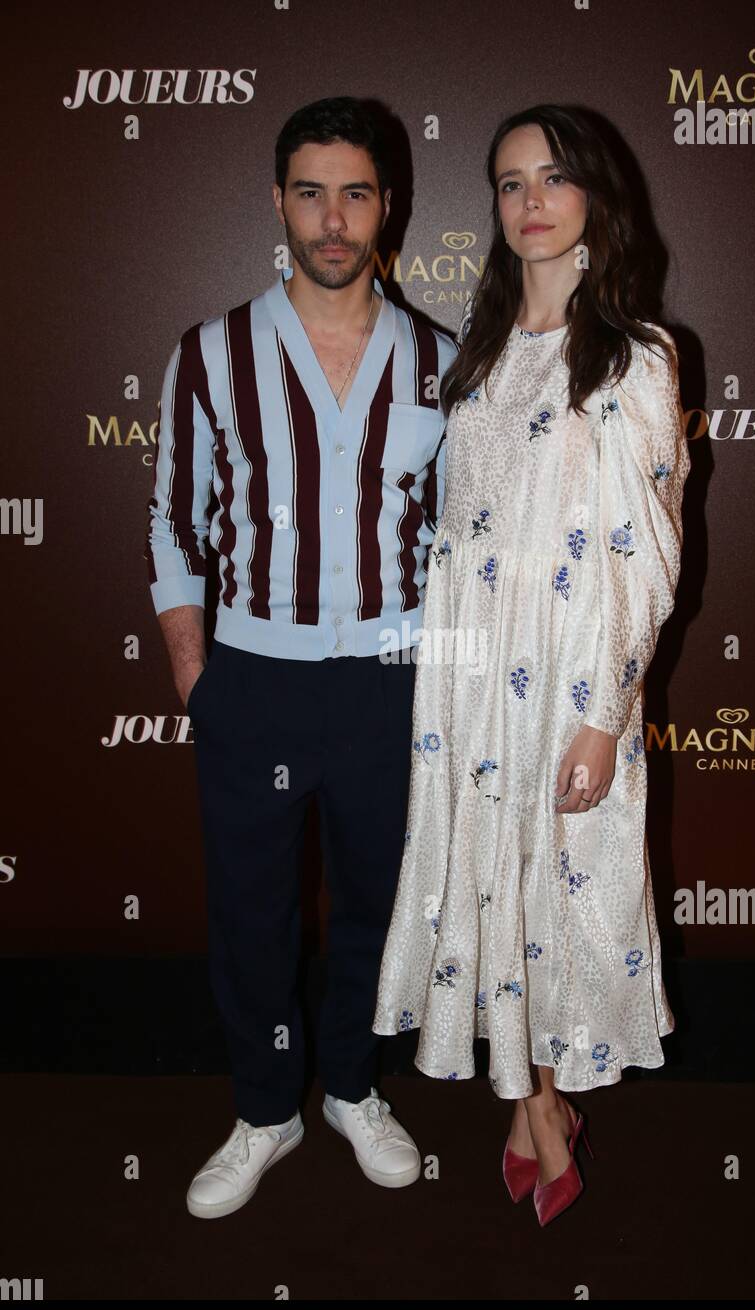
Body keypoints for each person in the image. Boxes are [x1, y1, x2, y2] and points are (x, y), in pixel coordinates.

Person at [373, 104, 690, 1227]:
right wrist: (439, 684)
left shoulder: (638, 358)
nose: (529, 202)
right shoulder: (483, 350)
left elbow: (648, 558)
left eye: (552, 178)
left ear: (596, 195)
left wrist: (605, 710)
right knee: (493, 881)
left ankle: (540, 1105)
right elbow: (456, 535)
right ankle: (535, 1104)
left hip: (566, 675)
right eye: (508, 183)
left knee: (558, 887)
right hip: (468, 677)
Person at [145, 96, 457, 1219]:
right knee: (252, 910)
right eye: (312, 192)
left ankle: (352, 1090)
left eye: (357, 192)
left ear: (388, 207)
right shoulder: (211, 353)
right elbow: (174, 523)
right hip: (254, 680)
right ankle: (267, 1106)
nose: (334, 219)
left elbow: (461, 541)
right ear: (277, 201)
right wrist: (197, 671)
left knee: (377, 904)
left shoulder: (440, 362)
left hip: (389, 682)